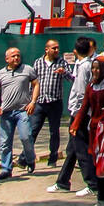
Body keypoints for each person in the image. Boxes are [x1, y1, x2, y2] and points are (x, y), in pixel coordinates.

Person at [48, 37, 97, 197]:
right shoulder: (82, 65)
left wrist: (78, 117)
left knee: (81, 149)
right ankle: (62, 181)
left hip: (80, 114)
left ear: (76, 51)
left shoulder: (85, 67)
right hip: (78, 112)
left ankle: (92, 183)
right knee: (73, 149)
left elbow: (82, 93)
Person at [70, 55, 104, 206]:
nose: (95, 71)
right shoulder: (91, 86)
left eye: (98, 68)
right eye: (93, 68)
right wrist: (75, 124)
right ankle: (103, 199)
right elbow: (84, 106)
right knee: (98, 164)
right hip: (94, 129)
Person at [21, 39, 72, 169]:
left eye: (57, 48)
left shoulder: (62, 62)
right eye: (54, 48)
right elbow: (32, 82)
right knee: (32, 130)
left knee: (54, 131)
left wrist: (64, 72)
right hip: (39, 102)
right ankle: (24, 158)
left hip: (55, 102)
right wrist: (31, 100)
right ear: (46, 49)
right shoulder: (38, 63)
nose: (56, 50)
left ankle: (53, 158)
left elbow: (71, 78)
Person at [0, 48, 39, 181]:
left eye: (18, 55)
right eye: (13, 56)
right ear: (7, 59)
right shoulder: (1, 73)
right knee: (5, 142)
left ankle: (30, 160)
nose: (16, 58)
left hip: (22, 111)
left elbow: (35, 84)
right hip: (6, 112)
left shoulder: (27, 69)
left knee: (26, 137)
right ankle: (6, 169)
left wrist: (33, 101)